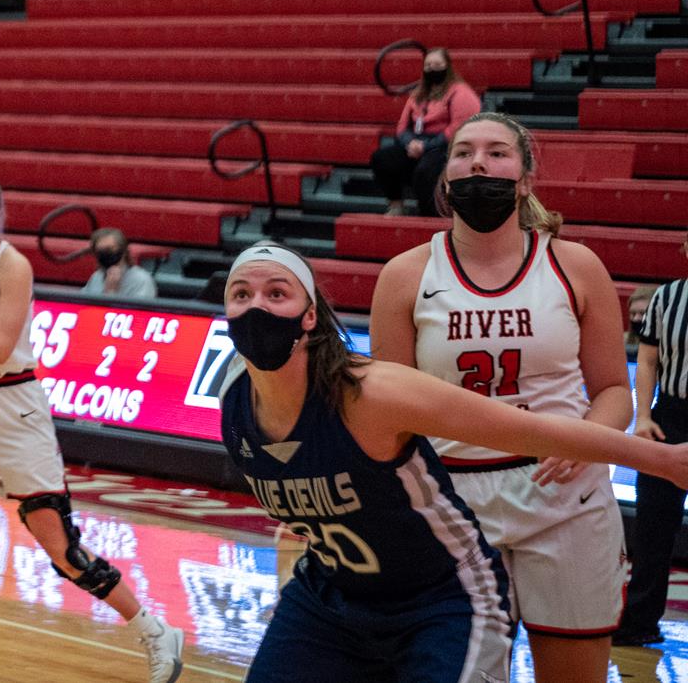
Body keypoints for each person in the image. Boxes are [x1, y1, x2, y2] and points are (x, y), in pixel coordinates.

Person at [220, 241, 688, 683]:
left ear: (310, 316)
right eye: (241, 294)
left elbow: (531, 430)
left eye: (276, 293)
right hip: (331, 596)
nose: (257, 306)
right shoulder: (235, 397)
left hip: (442, 599)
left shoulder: (372, 393)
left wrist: (664, 459)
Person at [0, 170, 184, 683]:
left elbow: (0, 346)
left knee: (61, 549)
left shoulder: (13, 265)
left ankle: (154, 629)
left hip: (14, 405)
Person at [369, 111, 631, 683]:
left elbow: (614, 390)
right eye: (464, 153)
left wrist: (587, 441)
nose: (479, 164)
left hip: (565, 494)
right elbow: (387, 408)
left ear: (525, 178)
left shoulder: (575, 265)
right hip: (452, 501)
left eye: (497, 152)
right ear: (446, 178)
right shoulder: (405, 275)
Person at [618, 236, 688, 648]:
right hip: (670, 417)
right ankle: (640, 622)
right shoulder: (665, 298)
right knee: (652, 529)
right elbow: (646, 360)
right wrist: (643, 416)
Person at [369, 48, 480, 216]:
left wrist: (426, 146)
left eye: (437, 65)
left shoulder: (460, 92)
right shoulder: (418, 92)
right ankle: (396, 205)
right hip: (416, 142)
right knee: (382, 158)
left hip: (444, 146)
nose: (432, 69)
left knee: (426, 170)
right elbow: (402, 126)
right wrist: (410, 143)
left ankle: (429, 213)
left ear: (447, 66)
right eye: (428, 65)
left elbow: (459, 127)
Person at [81, 227, 158, 301]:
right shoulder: (97, 276)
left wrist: (111, 292)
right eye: (100, 250)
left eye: (109, 249)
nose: (104, 253)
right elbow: (82, 302)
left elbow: (139, 309)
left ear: (123, 250)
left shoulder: (141, 280)